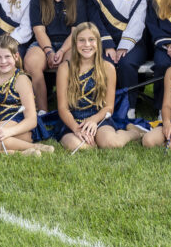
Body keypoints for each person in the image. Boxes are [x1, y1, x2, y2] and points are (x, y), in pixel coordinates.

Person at [82, 0, 149, 122]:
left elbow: (138, 20)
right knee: (105, 63)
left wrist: (124, 46)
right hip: (103, 40)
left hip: (133, 41)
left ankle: (130, 107)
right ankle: (101, 105)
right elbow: (94, 19)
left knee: (127, 64)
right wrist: (109, 46)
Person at [55, 23, 144, 151]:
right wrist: (76, 129)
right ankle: (90, 138)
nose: (87, 45)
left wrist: (93, 120)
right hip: (72, 120)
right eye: (81, 40)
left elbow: (109, 107)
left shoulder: (108, 68)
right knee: (80, 147)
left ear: (98, 43)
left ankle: (133, 132)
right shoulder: (65, 68)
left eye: (91, 40)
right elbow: (63, 108)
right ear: (74, 43)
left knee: (111, 143)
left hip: (99, 118)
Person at [25, 0, 79, 115]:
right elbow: (39, 30)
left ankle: (68, 109)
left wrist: (61, 51)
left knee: (69, 65)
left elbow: (76, 32)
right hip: (44, 44)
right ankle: (42, 111)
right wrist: (49, 52)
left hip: (69, 44)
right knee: (31, 62)